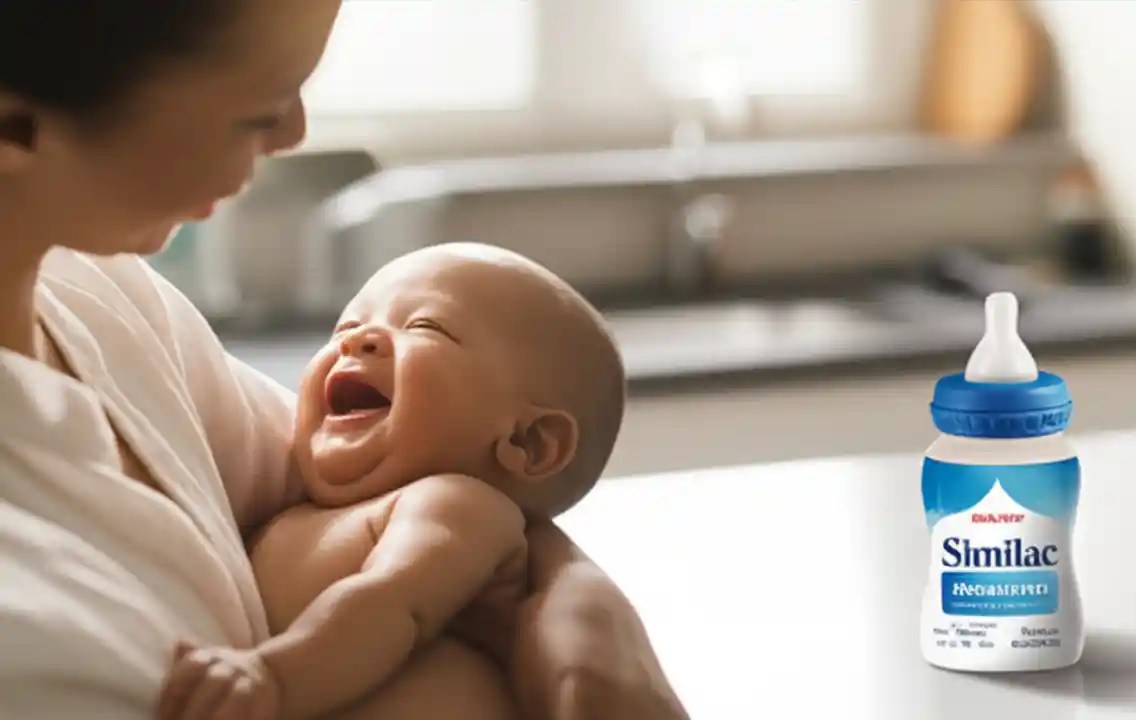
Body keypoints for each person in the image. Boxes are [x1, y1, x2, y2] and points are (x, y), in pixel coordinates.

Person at [0, 2, 687, 719]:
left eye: (423, 326)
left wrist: (582, 610)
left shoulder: (101, 299)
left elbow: (421, 491)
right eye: (256, 103)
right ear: (14, 126)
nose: (293, 131)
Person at [158, 243, 627, 718]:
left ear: (527, 441)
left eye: (426, 326)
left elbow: (390, 603)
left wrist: (272, 677)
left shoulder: (458, 506)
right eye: (347, 327)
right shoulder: (287, 510)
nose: (356, 341)